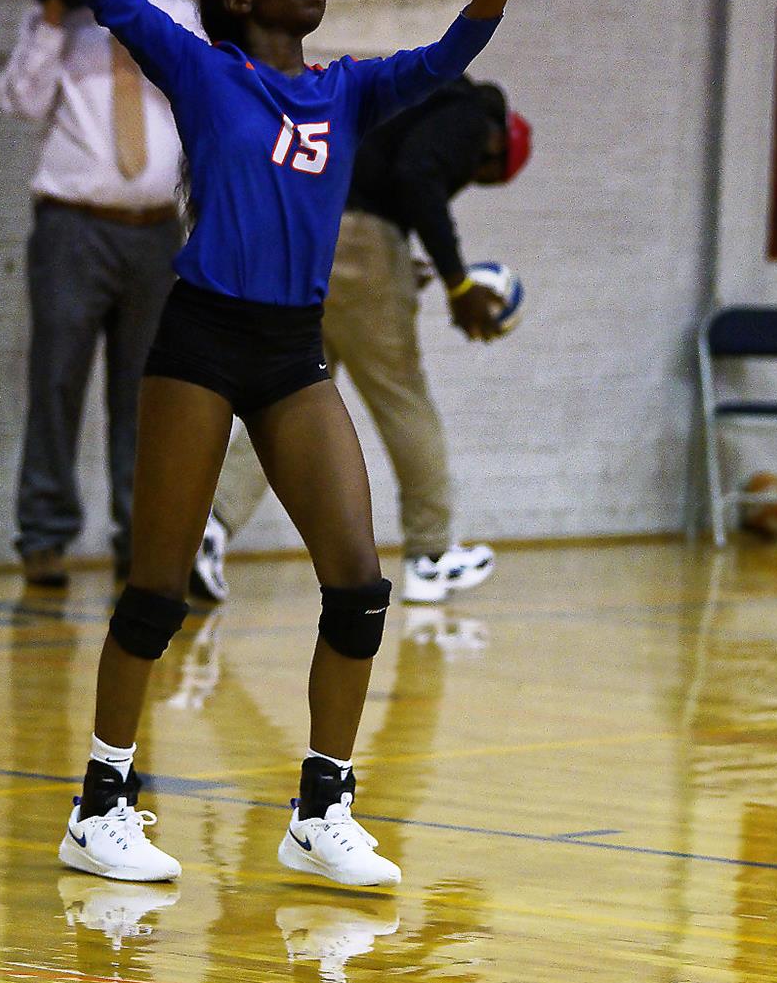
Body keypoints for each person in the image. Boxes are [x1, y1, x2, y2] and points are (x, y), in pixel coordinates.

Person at [50, 0, 573, 887]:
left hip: (290, 352)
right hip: (199, 337)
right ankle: (100, 804)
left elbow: (447, 58)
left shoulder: (344, 90)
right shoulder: (200, 70)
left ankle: (319, 810)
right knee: (156, 588)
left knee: (359, 583)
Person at [192, 76, 534, 606]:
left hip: (308, 237)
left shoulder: (414, 102)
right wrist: (458, 284)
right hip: (357, 241)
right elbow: (416, 176)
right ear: (497, 146)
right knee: (403, 397)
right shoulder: (471, 117)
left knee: (283, 401)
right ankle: (431, 554)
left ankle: (208, 529)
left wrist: (400, 264)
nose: (472, 182)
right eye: (483, 178)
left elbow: (381, 181)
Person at [0, 0, 202, 589]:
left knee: (147, 394)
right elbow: (20, 102)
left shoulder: (175, 20)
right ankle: (45, 536)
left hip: (156, 236)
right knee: (56, 382)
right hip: (73, 230)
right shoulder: (57, 26)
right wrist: (54, 8)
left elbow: (208, 100)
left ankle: (141, 541)